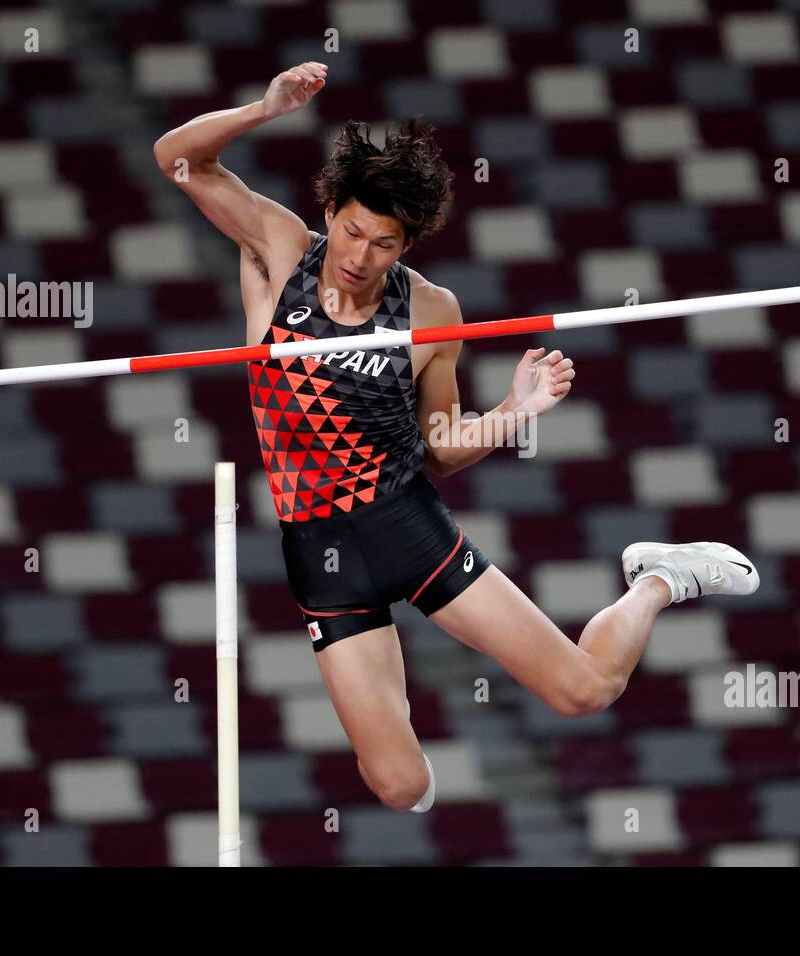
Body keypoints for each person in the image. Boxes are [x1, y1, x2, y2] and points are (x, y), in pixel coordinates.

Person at [154, 61, 759, 814]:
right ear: (330, 209)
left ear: (406, 244)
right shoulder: (278, 248)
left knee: (583, 691)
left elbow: (440, 446)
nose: (359, 255)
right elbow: (177, 157)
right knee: (400, 786)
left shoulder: (432, 313)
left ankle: (661, 579)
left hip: (404, 522)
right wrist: (265, 107)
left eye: (383, 244)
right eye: (350, 230)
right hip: (317, 552)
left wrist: (514, 409)